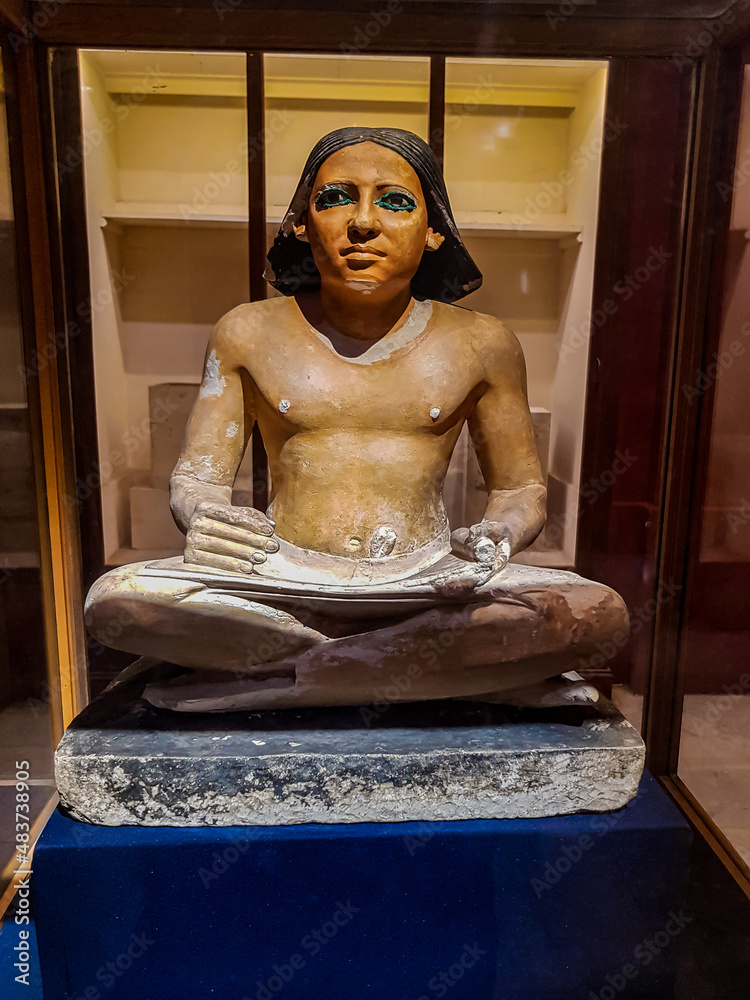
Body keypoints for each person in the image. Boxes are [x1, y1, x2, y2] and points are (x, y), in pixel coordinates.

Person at [85, 127, 627, 711]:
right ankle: (419, 669)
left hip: (425, 582)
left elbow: (520, 488)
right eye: (336, 197)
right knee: (119, 602)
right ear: (300, 222)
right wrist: (204, 516)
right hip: (281, 579)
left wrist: (499, 535)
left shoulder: (484, 343)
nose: (363, 221)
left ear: (434, 230)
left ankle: (288, 678)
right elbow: (200, 478)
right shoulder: (247, 332)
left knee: (600, 613)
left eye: (394, 201)